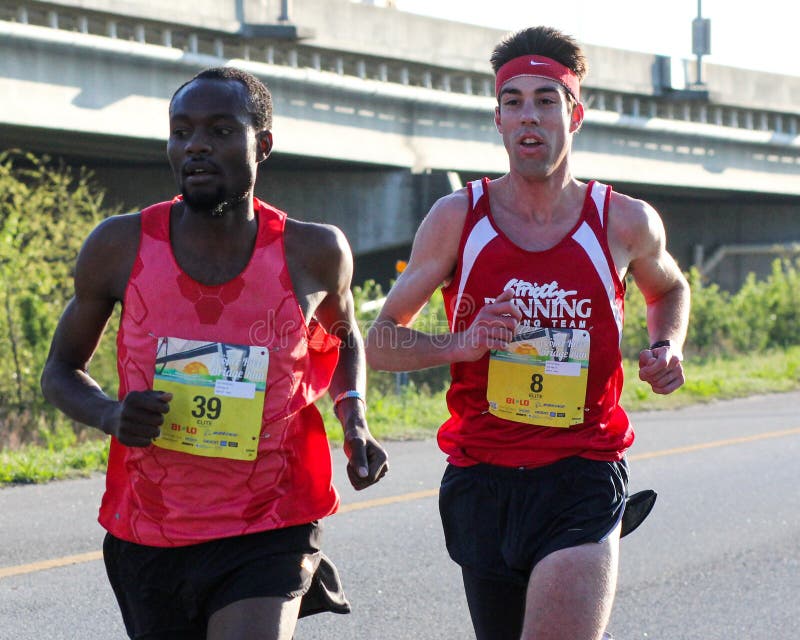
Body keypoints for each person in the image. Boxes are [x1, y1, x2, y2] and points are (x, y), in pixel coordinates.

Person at [41, 66, 388, 640]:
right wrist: (110, 414)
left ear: (264, 144)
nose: (196, 145)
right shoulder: (119, 245)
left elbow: (343, 335)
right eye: (182, 131)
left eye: (221, 131)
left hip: (273, 522)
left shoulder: (314, 252)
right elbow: (60, 370)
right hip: (150, 530)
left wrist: (354, 418)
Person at [365, 26, 689, 640]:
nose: (529, 117)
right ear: (497, 119)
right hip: (482, 475)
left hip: (582, 469)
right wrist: (458, 344)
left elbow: (669, 289)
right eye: (513, 102)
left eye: (546, 100)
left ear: (576, 114)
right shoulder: (458, 218)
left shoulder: (622, 221)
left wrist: (667, 345)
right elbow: (380, 342)